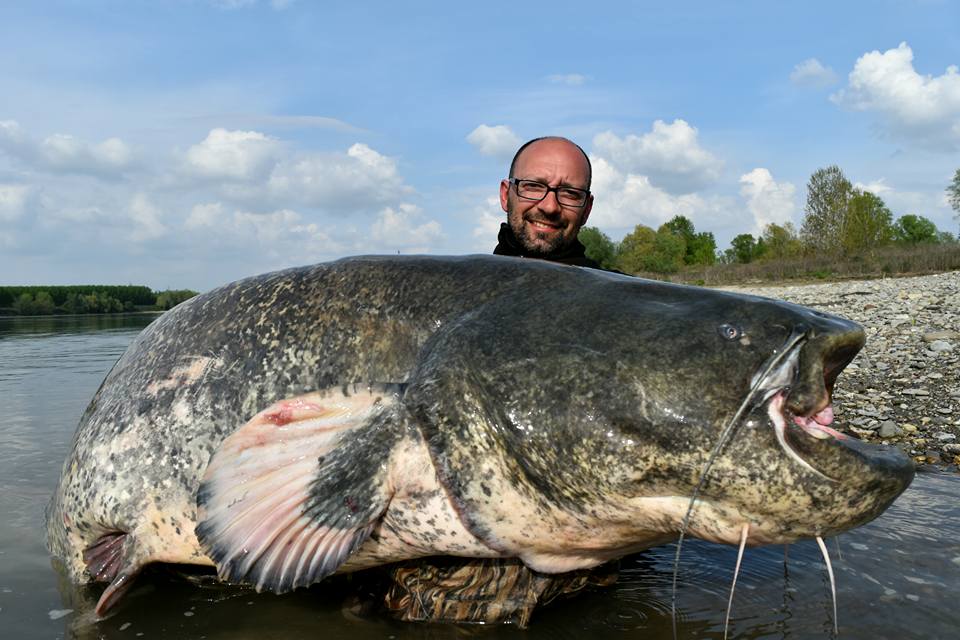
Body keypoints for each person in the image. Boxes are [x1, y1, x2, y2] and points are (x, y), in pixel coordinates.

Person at [494, 136, 602, 269]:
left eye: (569, 193)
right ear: (505, 195)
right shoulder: (462, 281)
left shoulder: (622, 289)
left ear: (587, 209)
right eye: (534, 186)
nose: (550, 207)